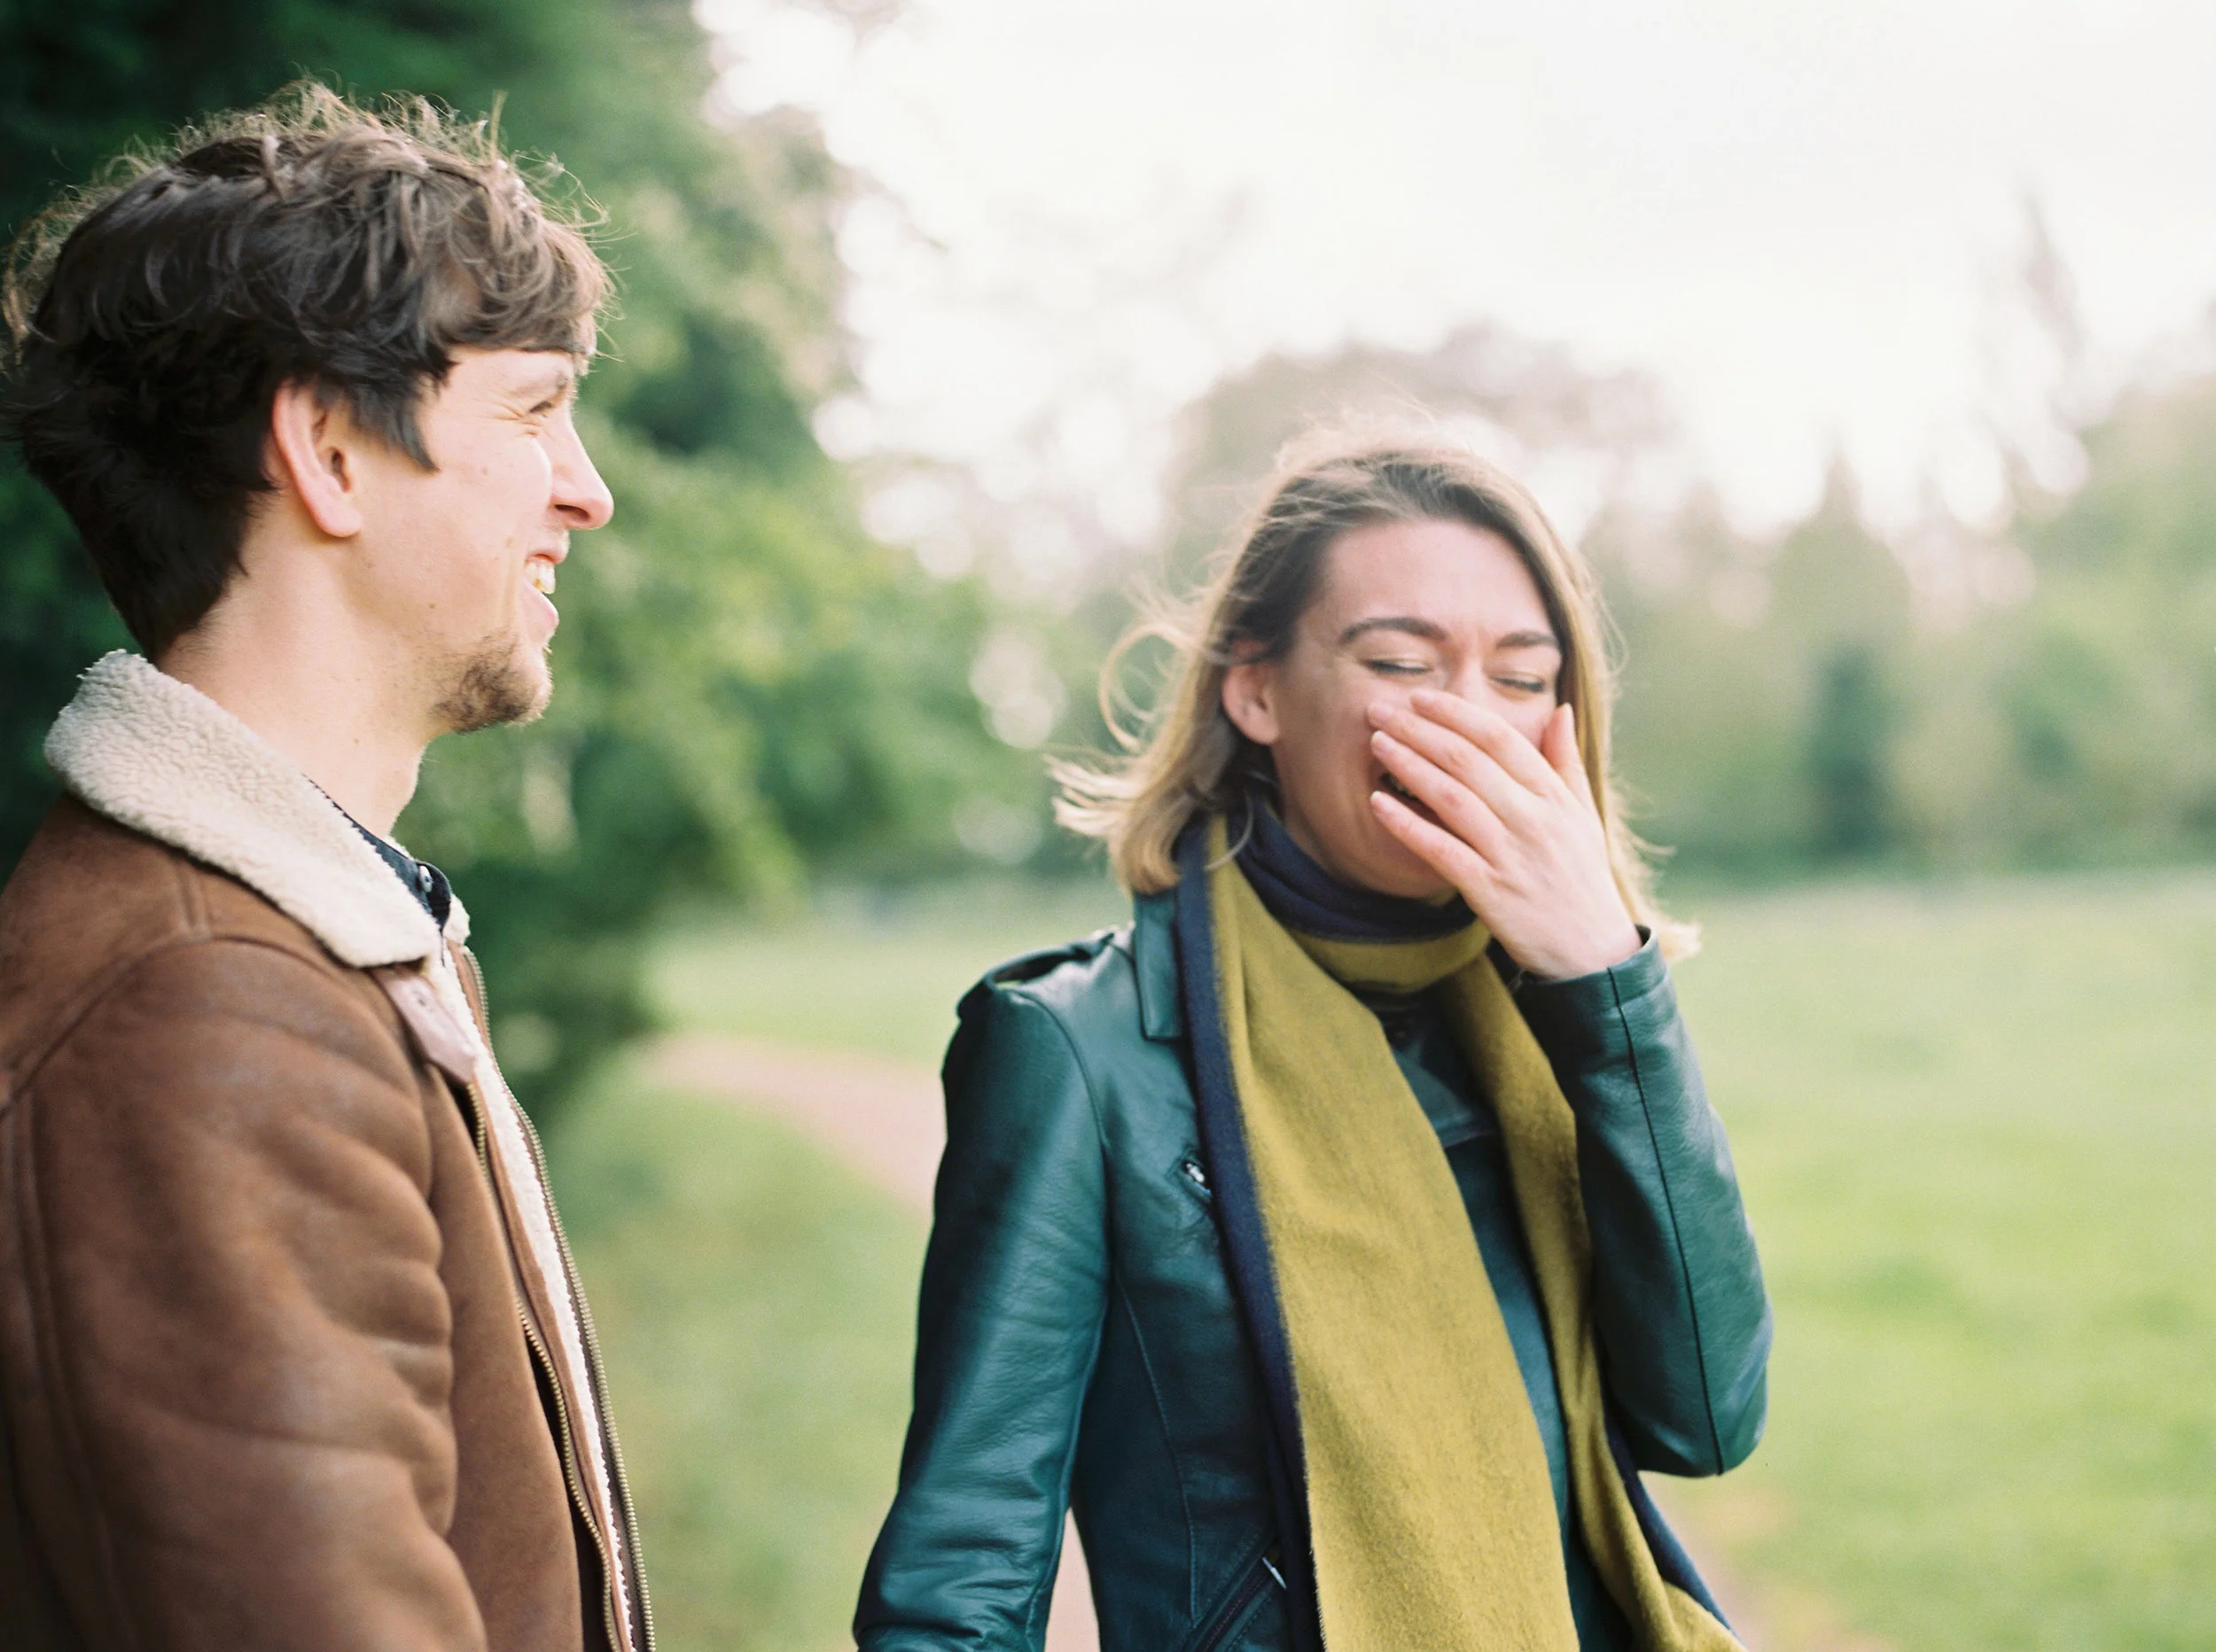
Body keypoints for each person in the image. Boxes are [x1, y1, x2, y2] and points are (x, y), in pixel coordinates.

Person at [855, 432, 1772, 1652]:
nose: (1467, 723)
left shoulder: (1572, 1024)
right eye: (1400, 662)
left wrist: (1610, 984)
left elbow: (1707, 1418)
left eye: (1519, 675)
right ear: (1257, 690)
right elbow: (961, 1577)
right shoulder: (1075, 1054)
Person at [0, 86, 650, 1650]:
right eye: (530, 412)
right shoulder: (206, 1012)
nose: (587, 488)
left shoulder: (301, 939)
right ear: (332, 453)